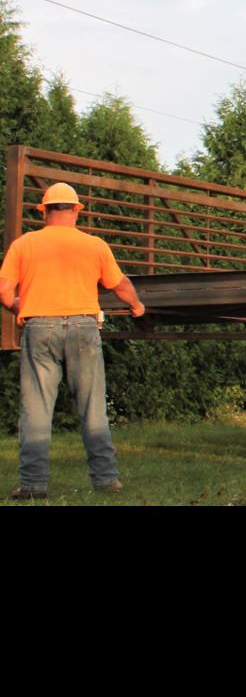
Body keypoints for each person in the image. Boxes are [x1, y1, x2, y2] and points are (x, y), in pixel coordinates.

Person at [0, 183, 145, 499]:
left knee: (36, 408)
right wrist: (136, 306)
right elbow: (119, 284)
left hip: (39, 327)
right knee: (92, 406)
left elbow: (4, 291)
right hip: (83, 327)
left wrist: (19, 307)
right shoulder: (94, 245)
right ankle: (106, 480)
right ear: (76, 211)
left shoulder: (24, 245)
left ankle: (33, 485)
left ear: (45, 211)